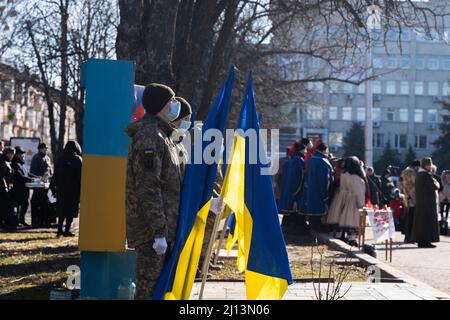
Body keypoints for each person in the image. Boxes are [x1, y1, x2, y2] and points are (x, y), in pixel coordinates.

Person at [125, 83, 184, 300]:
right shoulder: (150, 136)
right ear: (161, 105)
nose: (175, 105)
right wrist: (159, 231)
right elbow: (148, 187)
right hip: (151, 232)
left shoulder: (162, 134)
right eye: (172, 101)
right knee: (148, 291)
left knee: (158, 290)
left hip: (162, 229)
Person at [326, 157, 366, 245]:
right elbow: (359, 192)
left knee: (343, 220)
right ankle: (352, 240)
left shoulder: (344, 175)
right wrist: (361, 204)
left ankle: (339, 236)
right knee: (352, 221)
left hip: (342, 199)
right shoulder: (356, 178)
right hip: (353, 202)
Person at [299, 142, 333, 231]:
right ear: (325, 150)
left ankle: (312, 226)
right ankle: (317, 227)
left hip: (310, 189)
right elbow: (325, 180)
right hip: (319, 192)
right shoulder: (323, 162)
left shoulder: (311, 160)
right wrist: (326, 195)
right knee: (318, 212)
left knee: (312, 212)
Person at [51, 141, 82, 237]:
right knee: (71, 210)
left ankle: (59, 229)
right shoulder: (78, 160)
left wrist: (53, 187)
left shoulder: (60, 159)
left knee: (61, 209)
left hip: (61, 189)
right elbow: (81, 176)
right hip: (74, 190)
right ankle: (67, 229)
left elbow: (55, 174)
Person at [411, 158, 440, 248]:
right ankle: (426, 242)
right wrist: (437, 183)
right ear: (425, 165)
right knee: (427, 223)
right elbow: (435, 186)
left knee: (421, 223)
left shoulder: (419, 175)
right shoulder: (426, 175)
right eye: (429, 165)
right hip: (427, 203)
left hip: (421, 202)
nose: (430, 167)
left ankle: (421, 241)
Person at [279, 143, 306, 231]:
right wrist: (297, 190)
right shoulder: (299, 160)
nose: (305, 152)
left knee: (288, 211)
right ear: (301, 150)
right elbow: (299, 177)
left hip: (287, 189)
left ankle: (286, 227)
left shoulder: (290, 160)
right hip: (296, 190)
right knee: (294, 210)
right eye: (304, 150)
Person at [30, 143, 53, 228]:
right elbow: (33, 171)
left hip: (46, 184)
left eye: (46, 148)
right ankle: (36, 222)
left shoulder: (47, 158)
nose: (46, 150)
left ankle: (44, 221)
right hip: (38, 185)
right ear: (40, 149)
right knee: (37, 204)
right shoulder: (36, 158)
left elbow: (50, 170)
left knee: (46, 204)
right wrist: (38, 178)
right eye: (44, 149)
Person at [12, 147, 33, 227]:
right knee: (17, 205)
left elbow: (27, 173)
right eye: (20, 153)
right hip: (18, 188)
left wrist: (35, 177)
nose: (22, 155)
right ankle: (17, 221)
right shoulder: (15, 163)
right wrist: (31, 180)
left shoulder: (21, 163)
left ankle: (21, 220)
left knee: (25, 204)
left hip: (24, 188)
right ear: (16, 154)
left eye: (23, 153)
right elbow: (20, 176)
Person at [400, 160, 420, 243]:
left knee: (407, 217)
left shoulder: (403, 172)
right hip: (413, 197)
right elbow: (417, 183)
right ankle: (410, 237)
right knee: (412, 218)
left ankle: (407, 236)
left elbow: (401, 183)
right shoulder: (412, 173)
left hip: (406, 196)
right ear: (416, 166)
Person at [0, 147, 16, 229]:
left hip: (7, 188)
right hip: (3, 189)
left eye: (13, 154)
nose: (12, 155)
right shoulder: (3, 162)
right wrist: (6, 187)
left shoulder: (7, 162)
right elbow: (2, 176)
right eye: (11, 153)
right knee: (4, 206)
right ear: (6, 153)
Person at [439, 170, 450, 234]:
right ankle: (442, 218)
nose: (448, 176)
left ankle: (446, 219)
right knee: (442, 209)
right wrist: (443, 196)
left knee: (447, 209)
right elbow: (440, 189)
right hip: (443, 197)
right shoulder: (442, 181)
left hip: (448, 198)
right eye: (447, 175)